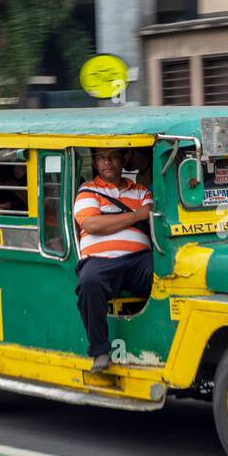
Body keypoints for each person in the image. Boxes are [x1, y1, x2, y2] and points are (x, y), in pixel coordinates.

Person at [73, 148, 154, 372]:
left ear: (123, 159)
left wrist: (111, 220)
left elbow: (152, 212)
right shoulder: (88, 191)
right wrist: (137, 216)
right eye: (101, 158)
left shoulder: (140, 190)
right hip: (100, 261)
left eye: (113, 156)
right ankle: (99, 351)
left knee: (170, 272)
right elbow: (92, 225)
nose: (107, 162)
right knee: (88, 281)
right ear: (95, 163)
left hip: (140, 260)